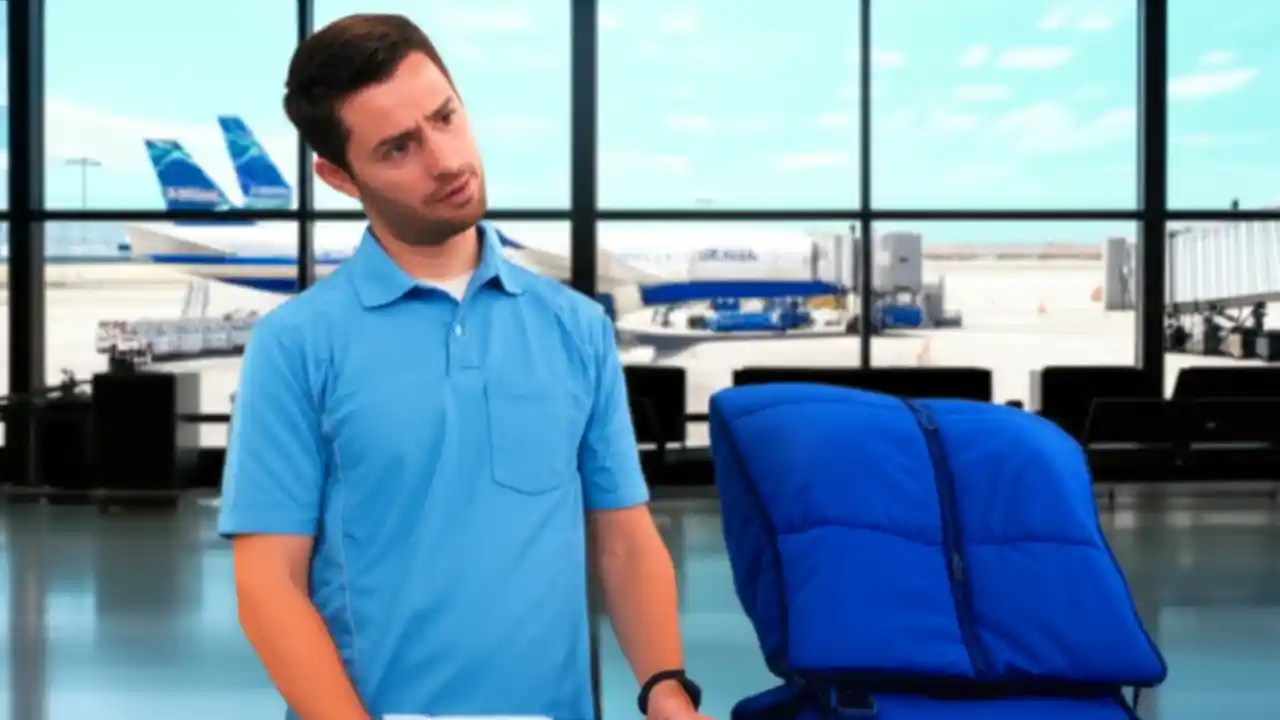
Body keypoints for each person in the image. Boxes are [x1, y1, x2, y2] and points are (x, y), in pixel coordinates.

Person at [219, 12, 709, 720]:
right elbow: (269, 585)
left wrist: (665, 687)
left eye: (446, 117)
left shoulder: (576, 328)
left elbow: (624, 542)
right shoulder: (296, 345)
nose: (445, 160)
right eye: (397, 149)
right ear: (339, 177)